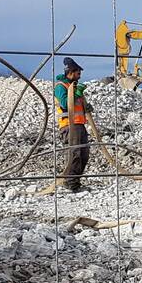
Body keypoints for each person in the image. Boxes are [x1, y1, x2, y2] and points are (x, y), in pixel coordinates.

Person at [53, 58, 91, 191]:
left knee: (84, 154)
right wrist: (77, 93)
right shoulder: (60, 87)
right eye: (78, 74)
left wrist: (87, 107)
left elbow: (79, 105)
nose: (79, 76)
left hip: (79, 125)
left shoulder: (73, 87)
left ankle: (75, 181)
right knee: (74, 154)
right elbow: (65, 104)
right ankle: (70, 182)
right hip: (69, 126)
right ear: (70, 73)